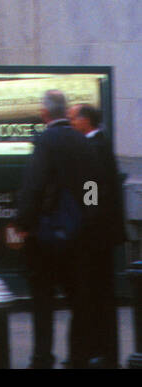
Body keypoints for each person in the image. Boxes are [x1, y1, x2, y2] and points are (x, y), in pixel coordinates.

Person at [17, 90, 98, 369]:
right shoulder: (83, 141)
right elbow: (92, 188)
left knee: (42, 300)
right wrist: (87, 219)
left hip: (45, 235)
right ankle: (78, 357)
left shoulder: (44, 140)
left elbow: (34, 185)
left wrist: (25, 224)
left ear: (44, 113)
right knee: (79, 300)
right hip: (78, 236)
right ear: (65, 112)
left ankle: (42, 357)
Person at [70, 102, 125, 367]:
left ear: (85, 121)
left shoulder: (94, 148)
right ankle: (103, 351)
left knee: (98, 293)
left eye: (74, 118)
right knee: (101, 294)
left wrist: (87, 218)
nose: (71, 123)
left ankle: (100, 352)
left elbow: (93, 188)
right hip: (103, 233)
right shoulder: (99, 144)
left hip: (97, 235)